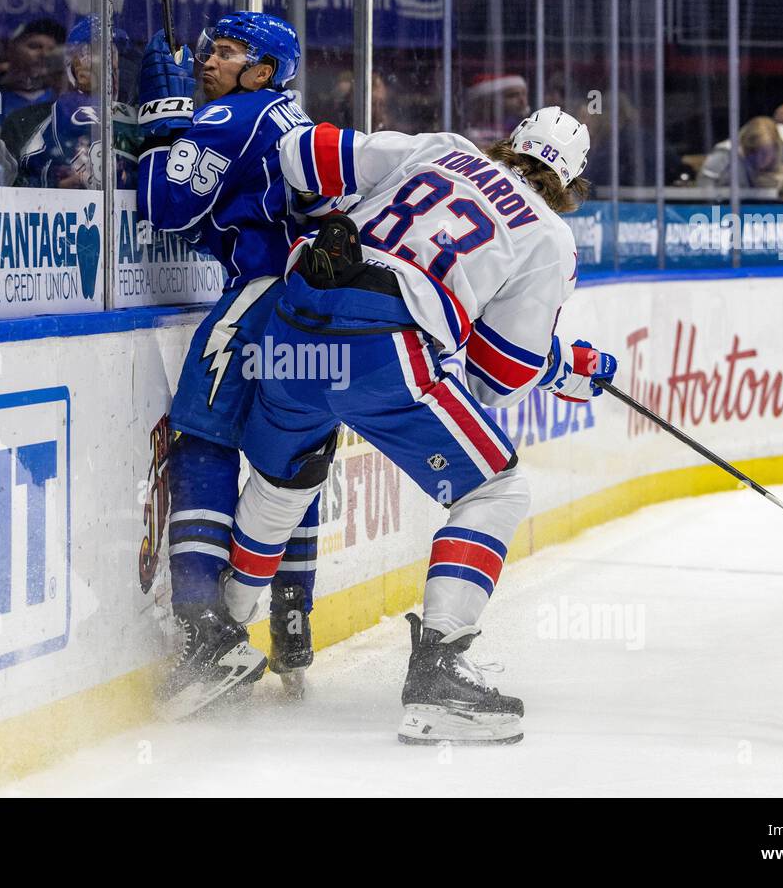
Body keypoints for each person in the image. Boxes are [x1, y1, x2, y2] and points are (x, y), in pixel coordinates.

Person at [199, 106, 617, 740]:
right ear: (572, 186)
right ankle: (439, 673)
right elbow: (497, 375)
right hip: (383, 347)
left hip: (294, 321)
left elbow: (304, 151)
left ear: (510, 144)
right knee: (495, 488)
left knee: (288, 480)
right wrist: (563, 369)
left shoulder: (444, 148)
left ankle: (213, 643)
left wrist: (324, 218)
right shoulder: (550, 235)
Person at [138, 11, 331, 716]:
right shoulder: (292, 121)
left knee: (204, 440)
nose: (206, 62)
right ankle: (291, 618)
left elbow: (164, 205)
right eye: (209, 50)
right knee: (288, 463)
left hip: (259, 300)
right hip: (316, 315)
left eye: (225, 53)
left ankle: (206, 636)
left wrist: (162, 129)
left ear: (263, 70)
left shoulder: (235, 116)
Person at [6, 16, 138, 189]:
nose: (112, 71)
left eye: (113, 69)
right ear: (68, 68)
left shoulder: (131, 122)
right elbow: (11, 189)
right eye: (94, 57)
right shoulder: (25, 123)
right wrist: (56, 186)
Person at [0, 19, 67, 136]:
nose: (44, 54)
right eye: (34, 46)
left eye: (51, 49)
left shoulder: (60, 98)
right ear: (11, 49)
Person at [697, 116, 783, 203]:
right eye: (753, 152)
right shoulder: (726, 153)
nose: (759, 159)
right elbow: (704, 188)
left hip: (777, 211)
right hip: (731, 210)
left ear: (776, 147)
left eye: (765, 152)